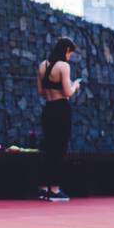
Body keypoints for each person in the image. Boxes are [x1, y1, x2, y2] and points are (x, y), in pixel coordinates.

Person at [36, 37, 80, 201]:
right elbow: (68, 92)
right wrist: (75, 85)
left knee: (48, 147)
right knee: (59, 148)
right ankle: (54, 189)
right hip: (61, 109)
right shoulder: (64, 66)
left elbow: (40, 90)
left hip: (48, 109)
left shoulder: (43, 65)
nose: (70, 57)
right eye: (70, 53)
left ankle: (44, 188)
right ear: (66, 50)